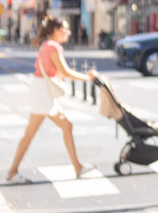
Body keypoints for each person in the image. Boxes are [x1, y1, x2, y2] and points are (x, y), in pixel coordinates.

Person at [6, 17, 99, 184]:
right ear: (55, 30)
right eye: (65, 29)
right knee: (32, 133)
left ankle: (77, 166)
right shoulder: (53, 47)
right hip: (43, 94)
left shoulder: (47, 45)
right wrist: (88, 78)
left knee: (64, 126)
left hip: (42, 91)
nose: (67, 32)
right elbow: (65, 71)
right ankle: (12, 171)